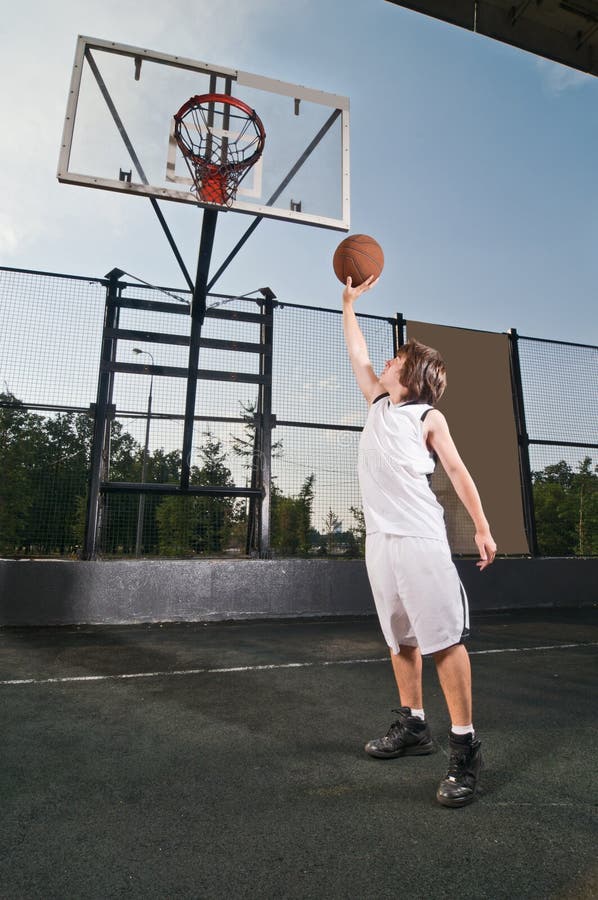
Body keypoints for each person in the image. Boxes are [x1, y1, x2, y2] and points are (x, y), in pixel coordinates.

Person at [342, 274, 497, 808]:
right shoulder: (377, 405)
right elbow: (358, 352)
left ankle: (465, 749)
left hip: (421, 541)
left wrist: (481, 526)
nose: (384, 364)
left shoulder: (427, 416)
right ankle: (414, 726)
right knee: (399, 639)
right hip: (380, 542)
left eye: (394, 361)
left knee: (443, 642)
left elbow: (457, 471)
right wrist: (349, 305)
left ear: (412, 375)